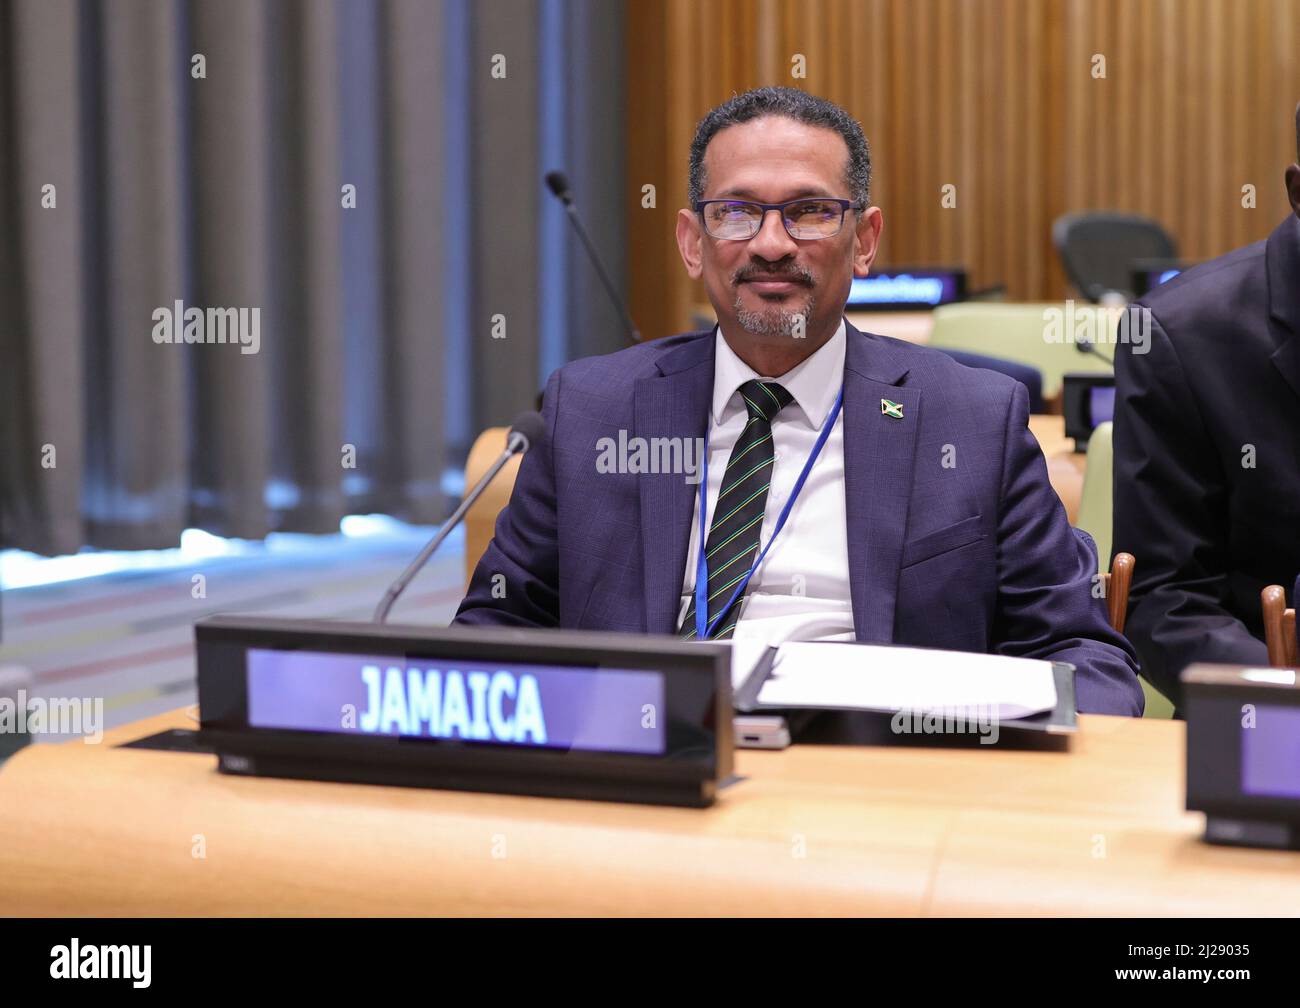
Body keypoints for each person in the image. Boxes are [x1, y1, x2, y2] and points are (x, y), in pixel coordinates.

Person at [456, 87, 1142, 716]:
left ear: (864, 241)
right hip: (654, 772)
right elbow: (492, 638)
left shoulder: (971, 418)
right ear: (693, 244)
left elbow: (1086, 661)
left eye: (810, 212)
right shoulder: (592, 411)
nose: (772, 244)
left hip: (876, 783)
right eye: (736, 213)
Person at [1113, 103, 1300, 708]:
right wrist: (1282, 697)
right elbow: (1166, 599)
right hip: (1276, 712)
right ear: (1298, 194)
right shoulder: (1180, 337)